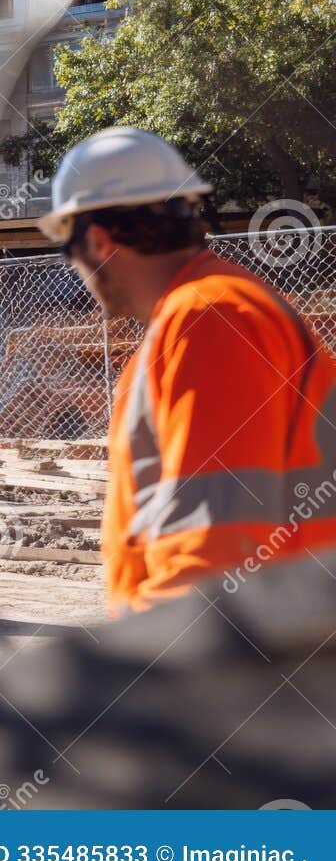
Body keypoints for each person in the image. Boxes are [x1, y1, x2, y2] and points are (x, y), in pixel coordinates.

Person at [43, 127, 336, 615]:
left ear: (95, 239)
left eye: (66, 250)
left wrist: (148, 675)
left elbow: (212, 559)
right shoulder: (203, 313)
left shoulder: (209, 319)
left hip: (248, 670)